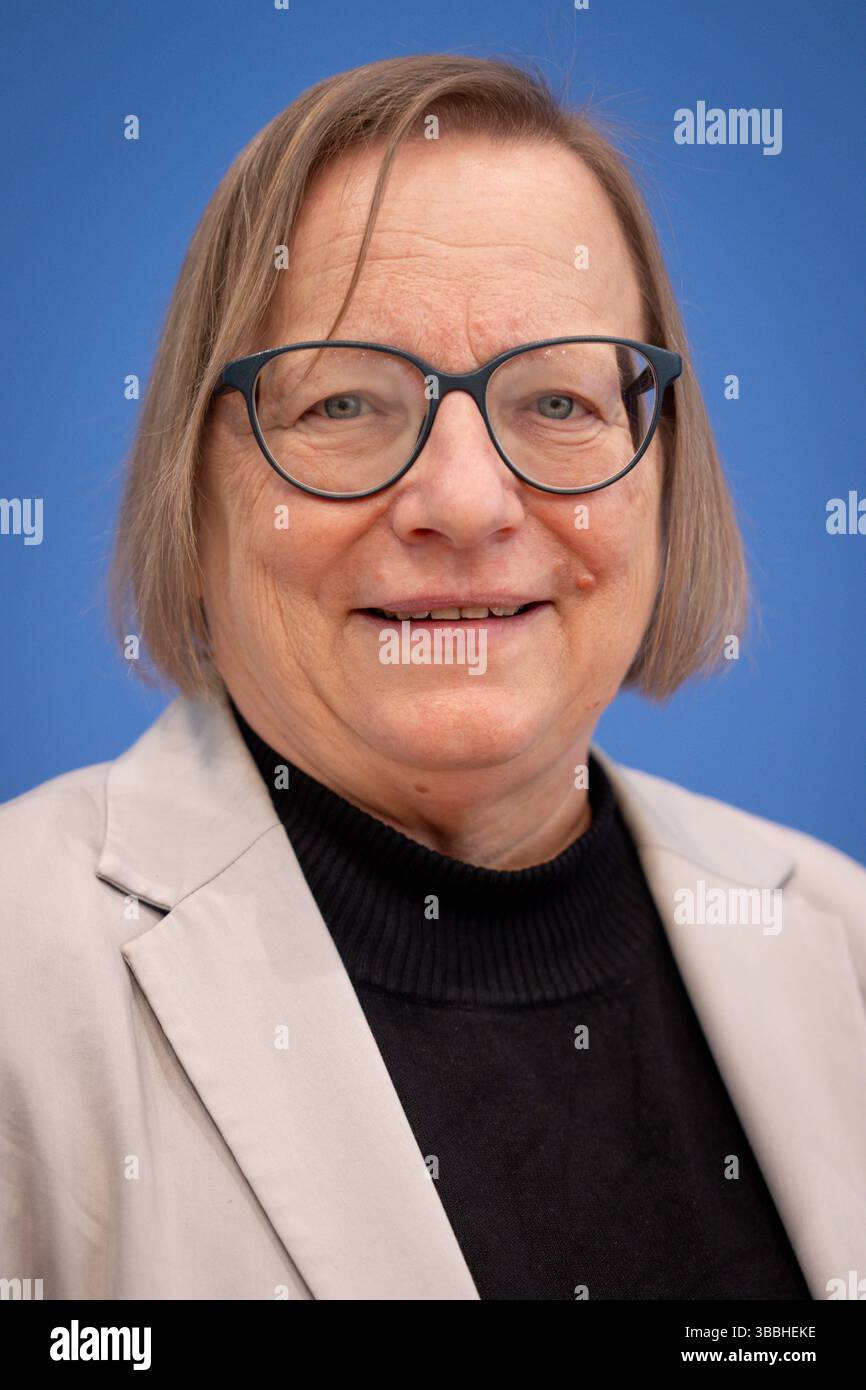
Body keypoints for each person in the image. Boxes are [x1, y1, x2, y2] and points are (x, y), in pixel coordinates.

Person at [2, 53, 864, 1302]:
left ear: (663, 476)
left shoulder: (840, 946)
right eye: (345, 400)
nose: (463, 502)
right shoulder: (25, 977)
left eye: (558, 399)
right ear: (195, 492)